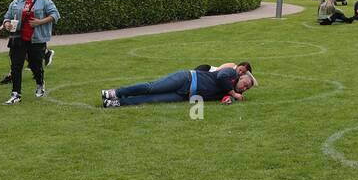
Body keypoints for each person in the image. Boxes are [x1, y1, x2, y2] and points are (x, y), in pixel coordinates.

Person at [0, 0, 61, 104]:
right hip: (18, 38)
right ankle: (16, 94)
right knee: (16, 66)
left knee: (35, 65)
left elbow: (55, 15)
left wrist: (40, 22)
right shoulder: (17, 1)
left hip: (36, 39)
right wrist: (7, 24)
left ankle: (40, 84)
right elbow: (7, 16)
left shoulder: (44, 1)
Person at [102, 62, 255, 107]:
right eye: (245, 83)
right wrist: (234, 93)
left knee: (149, 100)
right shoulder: (230, 74)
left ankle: (116, 102)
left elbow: (224, 99)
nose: (244, 87)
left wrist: (231, 99)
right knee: (151, 88)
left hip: (183, 95)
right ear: (241, 77)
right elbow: (221, 77)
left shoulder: (228, 92)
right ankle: (115, 92)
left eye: (247, 88)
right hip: (186, 78)